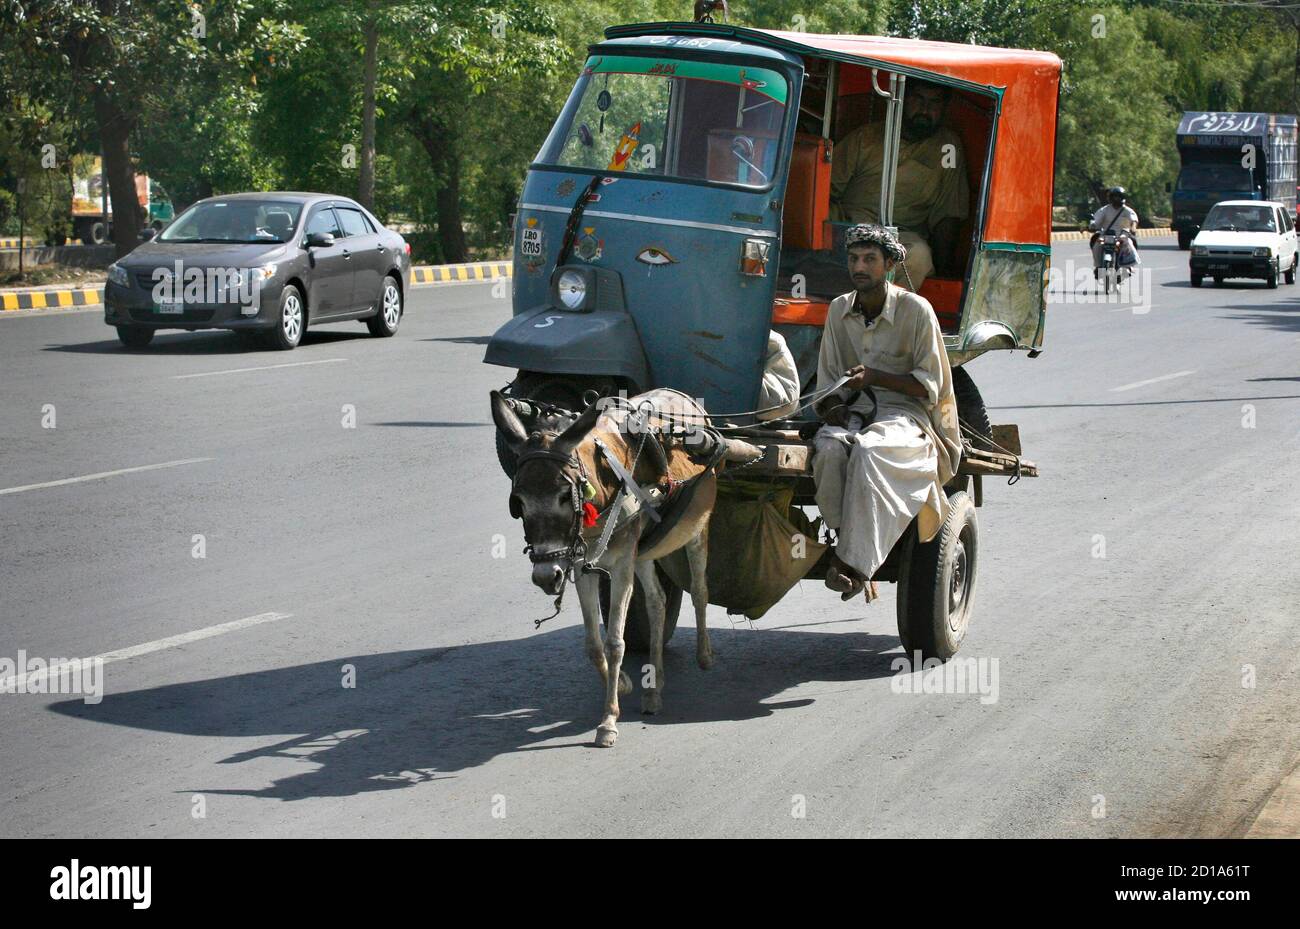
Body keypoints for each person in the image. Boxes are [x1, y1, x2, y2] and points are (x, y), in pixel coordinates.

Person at [811, 224, 962, 601]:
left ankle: (852, 566)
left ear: (890, 264)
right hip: (854, 413)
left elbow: (930, 387)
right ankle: (849, 541)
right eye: (853, 259)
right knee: (829, 449)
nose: (859, 266)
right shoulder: (837, 310)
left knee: (869, 450)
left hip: (906, 415)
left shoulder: (916, 310)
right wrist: (832, 409)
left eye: (870, 259)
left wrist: (877, 377)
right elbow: (827, 382)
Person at [830, 82, 969, 291]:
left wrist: (945, 272)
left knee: (919, 256)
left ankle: (879, 315)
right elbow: (825, 188)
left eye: (934, 102)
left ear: (944, 108)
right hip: (850, 227)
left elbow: (947, 214)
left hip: (902, 237)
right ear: (902, 100)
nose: (925, 109)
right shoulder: (865, 138)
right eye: (918, 99)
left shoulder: (948, 147)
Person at [1089, 186, 1140, 269]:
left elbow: (1133, 220)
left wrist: (1133, 228)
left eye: (1119, 197)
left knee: (1129, 244)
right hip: (1105, 235)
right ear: (1110, 198)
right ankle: (1098, 266)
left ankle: (1128, 266)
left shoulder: (1127, 210)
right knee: (1097, 246)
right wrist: (1092, 226)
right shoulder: (1104, 210)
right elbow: (1096, 221)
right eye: (1115, 197)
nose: (1117, 199)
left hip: (1122, 235)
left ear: (1123, 197)